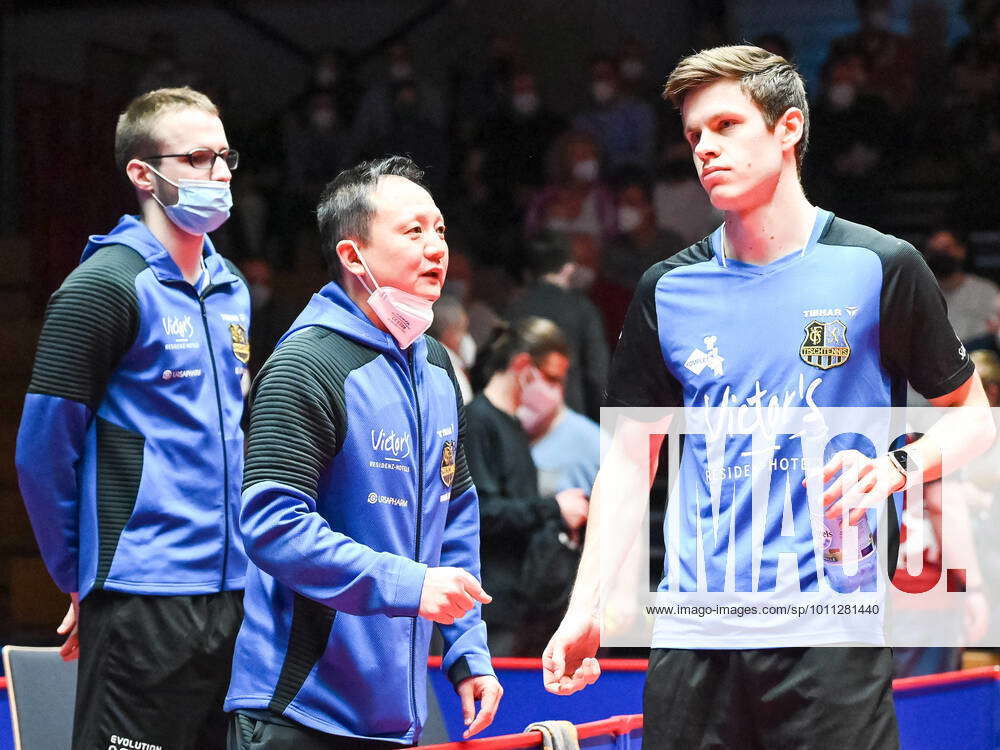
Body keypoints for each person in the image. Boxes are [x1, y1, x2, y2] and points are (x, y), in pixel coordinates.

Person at [542, 45, 994, 749]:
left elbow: (972, 417)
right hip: (694, 634)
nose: (706, 150)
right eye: (694, 136)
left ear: (787, 130)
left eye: (726, 126)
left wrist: (900, 468)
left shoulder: (881, 267)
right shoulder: (668, 288)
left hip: (830, 637)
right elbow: (631, 462)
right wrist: (586, 607)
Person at [224, 156, 501, 748]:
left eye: (440, 230)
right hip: (298, 711)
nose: (436, 248)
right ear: (353, 257)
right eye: (412, 232)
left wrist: (467, 649)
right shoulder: (307, 364)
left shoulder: (435, 365)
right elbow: (272, 527)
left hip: (396, 718)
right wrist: (410, 584)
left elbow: (455, 515)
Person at [15, 86, 249, 750]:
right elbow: (41, 454)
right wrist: (81, 578)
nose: (222, 174)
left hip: (232, 596)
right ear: (142, 175)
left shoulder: (230, 286)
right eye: (199, 158)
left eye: (226, 157)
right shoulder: (104, 286)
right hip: (141, 596)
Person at [465, 317, 589, 656]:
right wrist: (554, 507)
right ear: (522, 365)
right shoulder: (478, 422)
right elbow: (480, 513)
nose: (556, 392)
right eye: (550, 378)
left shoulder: (515, 426)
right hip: (490, 606)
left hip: (520, 604)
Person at [505, 235, 610, 421]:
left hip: (522, 412)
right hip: (569, 412)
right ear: (568, 267)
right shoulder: (582, 309)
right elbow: (597, 374)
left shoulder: (514, 308)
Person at [923, 228, 1000, 341]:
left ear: (961, 251)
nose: (940, 255)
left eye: (946, 249)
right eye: (934, 251)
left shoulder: (987, 291)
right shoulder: (917, 294)